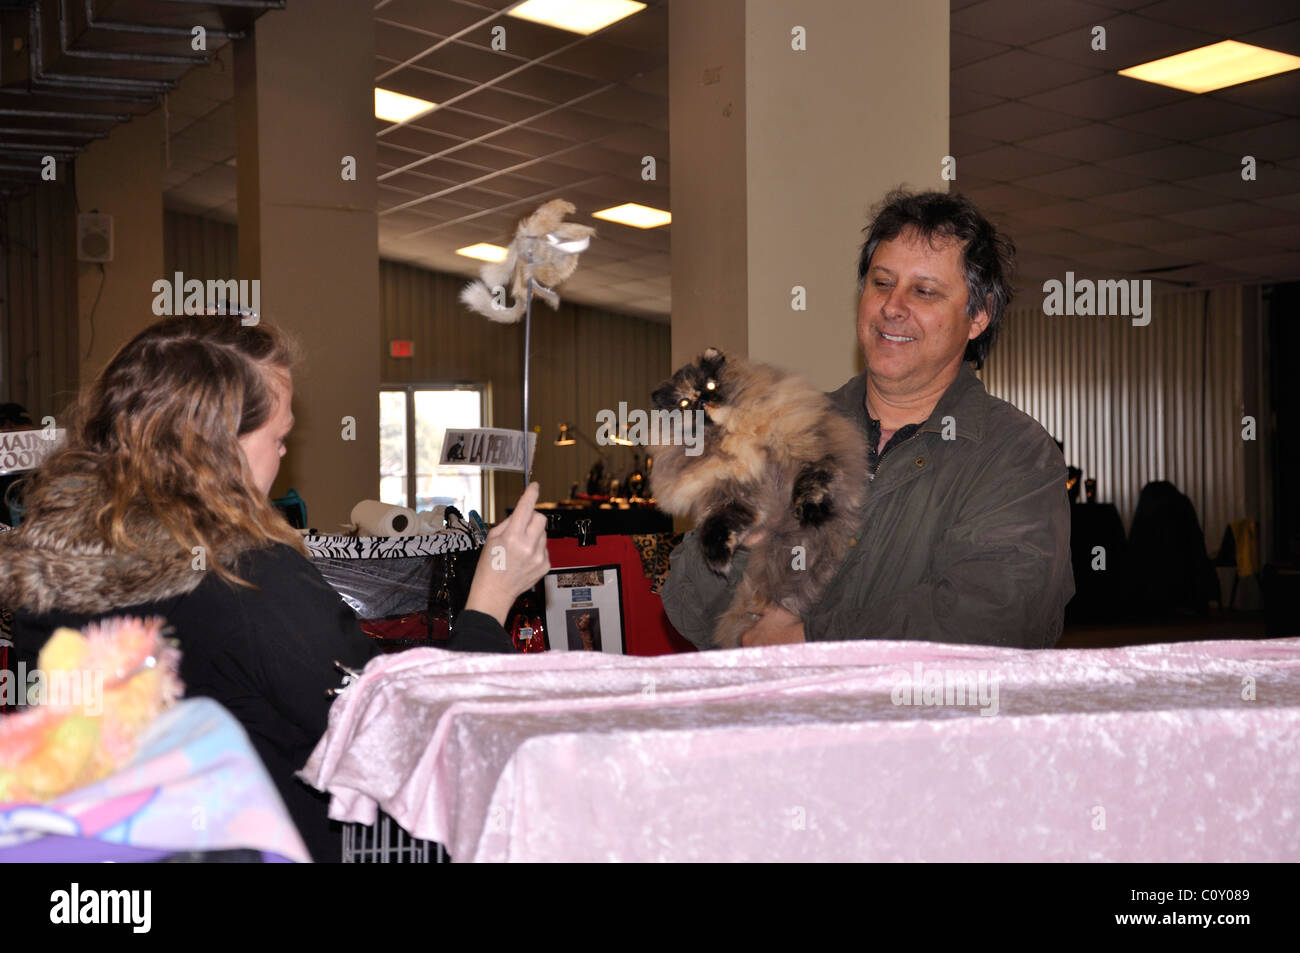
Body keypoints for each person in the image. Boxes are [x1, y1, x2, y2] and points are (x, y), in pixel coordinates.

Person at [0, 316, 550, 861]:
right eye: (278, 438)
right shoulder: (247, 575)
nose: (285, 454)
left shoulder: (51, 570)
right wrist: (489, 601)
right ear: (213, 449)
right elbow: (398, 740)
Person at [661, 189, 1074, 649]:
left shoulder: (1016, 455)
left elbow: (998, 616)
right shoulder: (787, 427)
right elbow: (685, 604)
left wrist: (810, 641)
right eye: (881, 283)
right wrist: (744, 539)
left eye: (924, 291)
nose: (891, 306)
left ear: (977, 316)